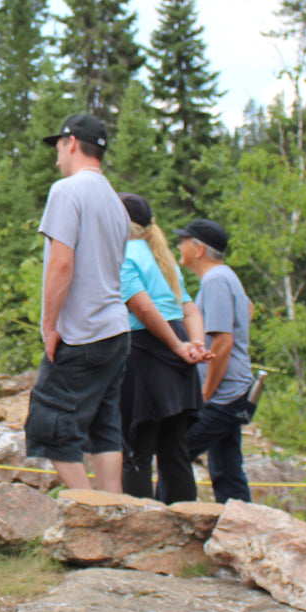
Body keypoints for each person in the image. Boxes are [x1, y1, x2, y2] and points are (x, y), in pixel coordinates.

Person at [26, 114, 132, 494]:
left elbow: (62, 263)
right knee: (105, 427)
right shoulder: (116, 203)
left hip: (80, 332)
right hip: (116, 329)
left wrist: (49, 326)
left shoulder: (66, 191)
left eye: (58, 146)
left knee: (49, 425)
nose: (56, 157)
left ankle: (88, 508)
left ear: (71, 143)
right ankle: (113, 509)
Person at [116, 194, 207, 503]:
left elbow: (143, 308)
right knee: (175, 450)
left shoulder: (122, 255)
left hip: (146, 350)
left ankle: (138, 523)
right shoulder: (162, 257)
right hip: (176, 348)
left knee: (136, 449)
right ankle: (185, 522)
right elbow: (189, 309)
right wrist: (195, 344)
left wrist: (179, 346)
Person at [176, 218, 256, 503]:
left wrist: (205, 394)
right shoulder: (226, 276)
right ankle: (240, 519)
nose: (178, 246)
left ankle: (166, 517)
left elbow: (223, 342)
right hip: (235, 390)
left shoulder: (216, 280)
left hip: (224, 394)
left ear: (199, 250)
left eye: (183, 241)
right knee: (226, 467)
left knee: (177, 453)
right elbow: (248, 308)